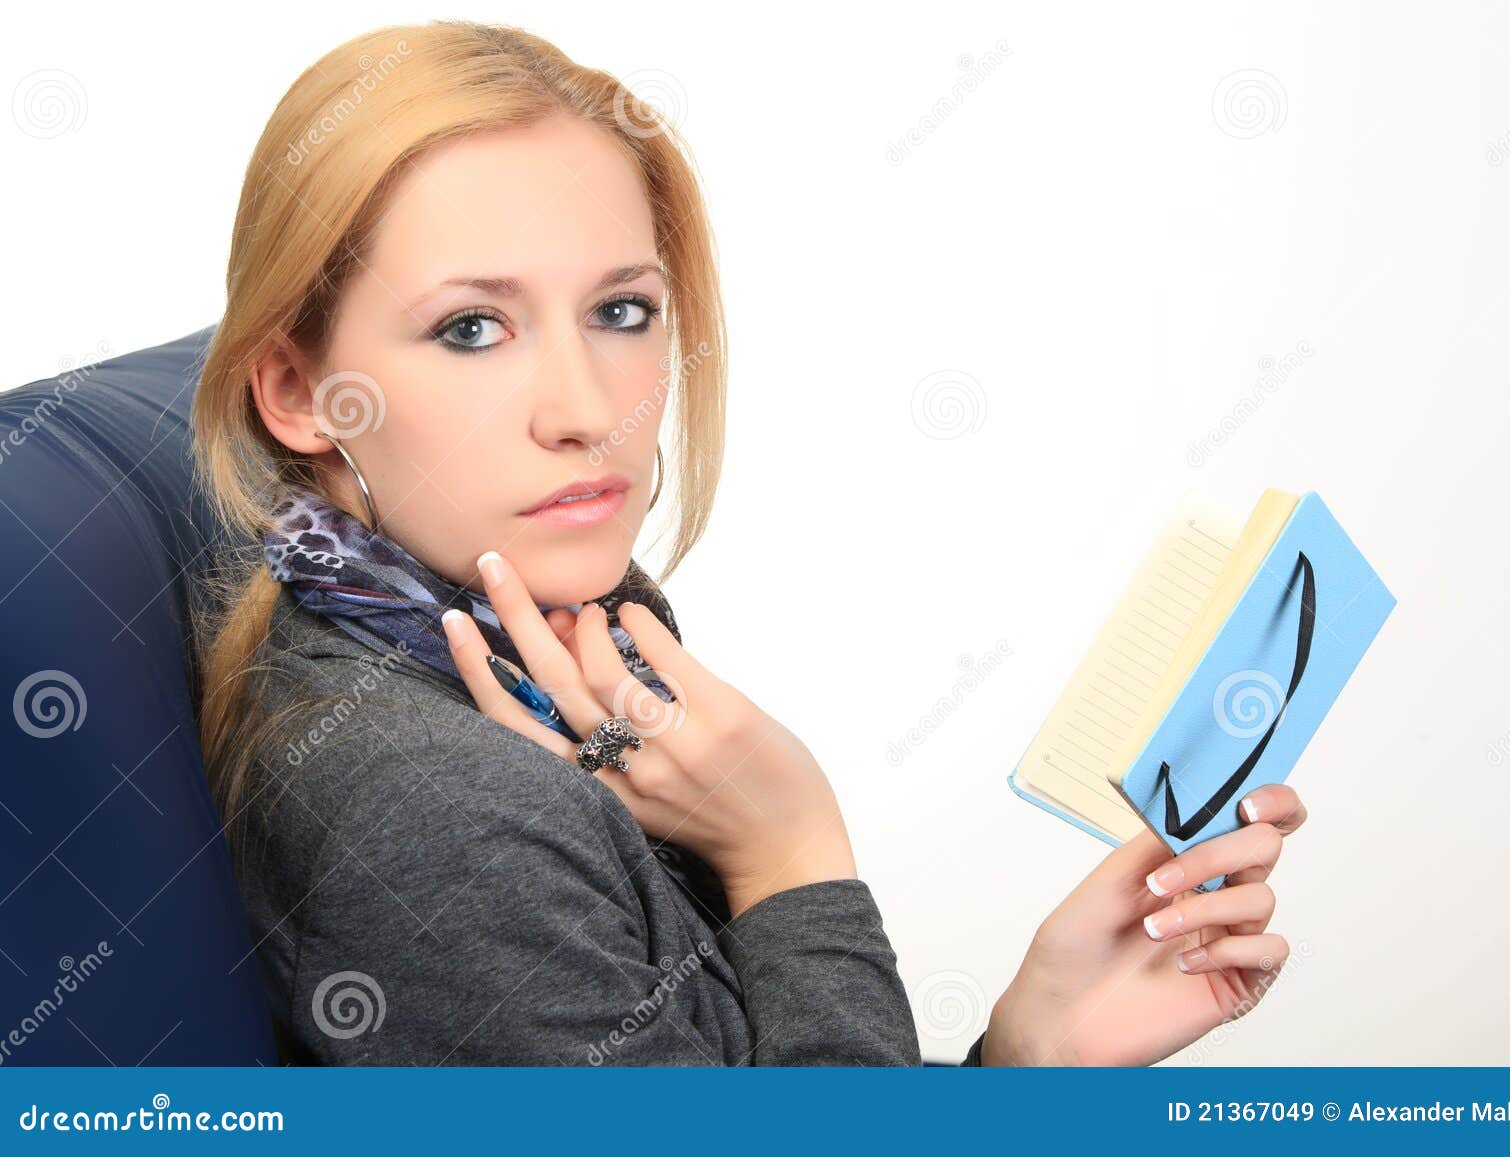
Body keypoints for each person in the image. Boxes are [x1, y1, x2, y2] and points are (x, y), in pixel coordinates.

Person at [192, 19, 1303, 1066]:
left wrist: (1031, 1053)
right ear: (301, 391)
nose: (585, 407)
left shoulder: (552, 662)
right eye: (471, 327)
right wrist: (790, 853)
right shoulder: (442, 803)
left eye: (621, 310)